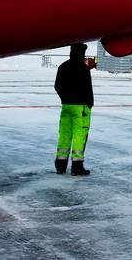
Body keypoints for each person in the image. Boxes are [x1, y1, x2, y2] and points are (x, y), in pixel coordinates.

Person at [54, 43, 94, 176]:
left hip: (66, 106)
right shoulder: (83, 68)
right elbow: (88, 88)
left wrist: (64, 98)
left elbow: (57, 86)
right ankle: (77, 166)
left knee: (64, 134)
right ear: (81, 53)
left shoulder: (63, 66)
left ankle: (60, 164)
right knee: (79, 136)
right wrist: (89, 104)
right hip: (80, 108)